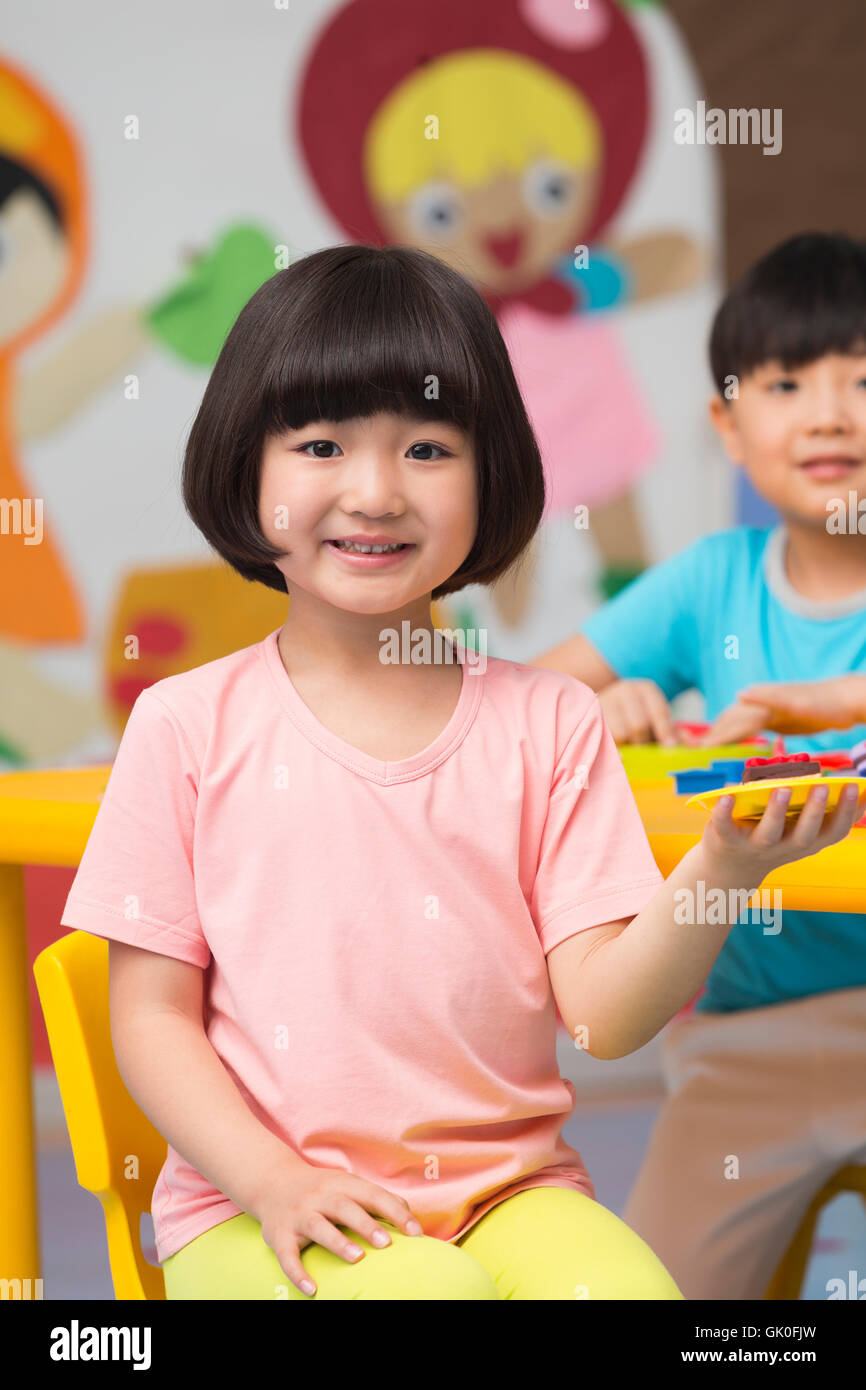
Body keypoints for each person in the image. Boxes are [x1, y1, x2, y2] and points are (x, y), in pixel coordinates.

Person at [60, 243, 864, 1301]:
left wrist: (722, 866)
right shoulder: (184, 725)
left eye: (428, 448)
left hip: (509, 1195)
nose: (376, 490)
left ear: (494, 473)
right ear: (243, 470)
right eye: (319, 443)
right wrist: (272, 1178)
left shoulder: (549, 723)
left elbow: (605, 1019)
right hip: (259, 1208)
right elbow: (150, 1016)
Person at [531, 232, 866, 1298]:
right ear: (726, 424)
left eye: (861, 381)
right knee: (660, 1294)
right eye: (783, 383)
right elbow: (522, 705)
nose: (826, 413)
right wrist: (601, 702)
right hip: (738, 1047)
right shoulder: (709, 580)